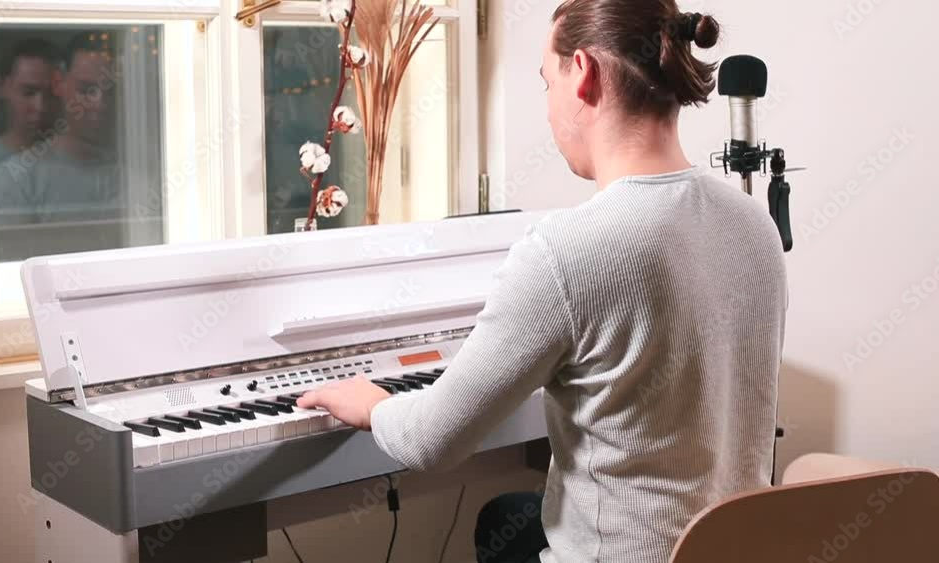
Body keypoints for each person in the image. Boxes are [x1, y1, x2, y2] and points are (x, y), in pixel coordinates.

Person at [297, 2, 788, 562]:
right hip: (729, 551)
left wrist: (372, 403)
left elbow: (429, 440)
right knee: (506, 517)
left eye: (546, 81)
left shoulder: (567, 250)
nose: (549, 107)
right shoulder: (756, 226)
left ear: (583, 72)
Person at [0, 32, 142, 262]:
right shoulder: (17, 177)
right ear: (58, 83)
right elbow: (8, 274)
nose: (99, 104)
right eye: (86, 90)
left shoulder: (134, 176)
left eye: (111, 91)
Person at [0, 38, 59, 171]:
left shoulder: (75, 161)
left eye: (52, 95)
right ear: (0, 87)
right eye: (28, 93)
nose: (41, 107)